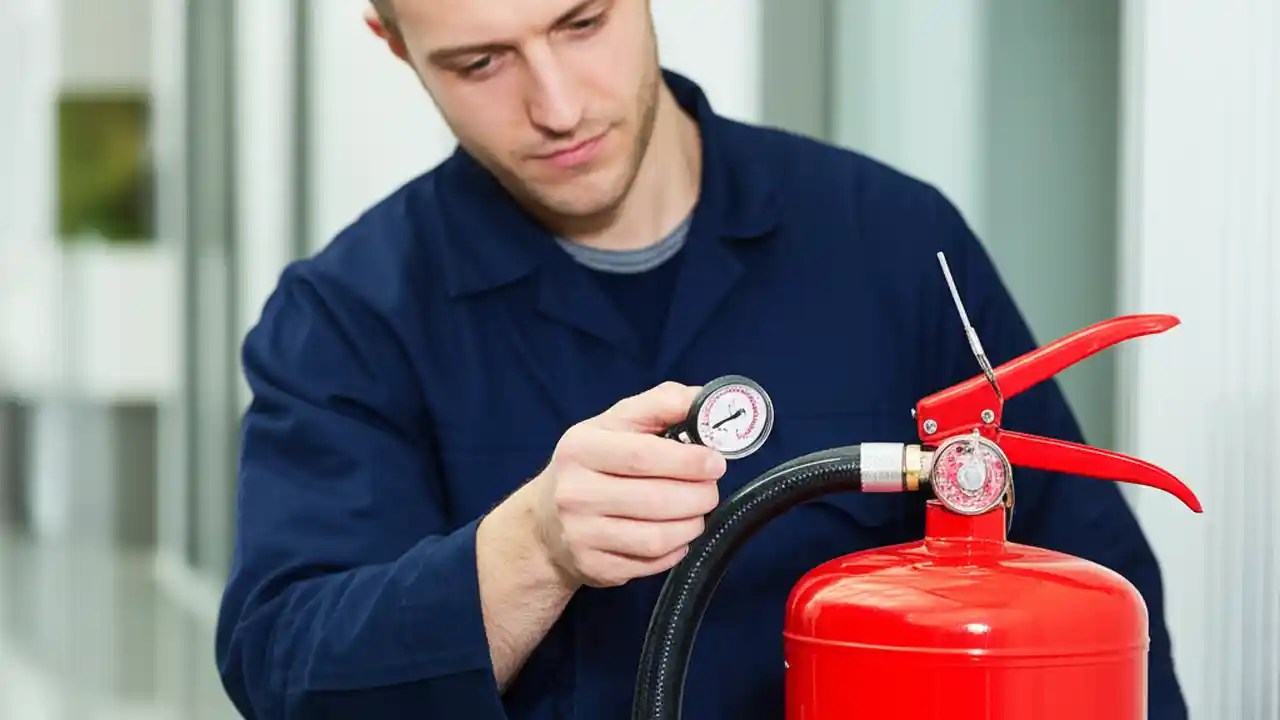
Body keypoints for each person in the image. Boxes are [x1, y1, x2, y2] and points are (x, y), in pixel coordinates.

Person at [214, 1, 1189, 717]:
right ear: (393, 42)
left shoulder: (888, 237)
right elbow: (286, 667)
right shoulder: (346, 313)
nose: (555, 107)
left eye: (581, 23)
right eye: (479, 63)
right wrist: (533, 548)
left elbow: (1094, 596)